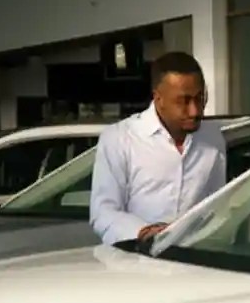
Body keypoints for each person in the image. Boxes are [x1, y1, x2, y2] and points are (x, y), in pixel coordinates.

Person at [89, 51, 227, 245]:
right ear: (158, 98)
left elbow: (216, 205)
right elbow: (103, 212)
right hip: (136, 263)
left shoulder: (213, 137)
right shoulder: (120, 139)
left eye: (200, 98)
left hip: (196, 263)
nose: (195, 110)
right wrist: (145, 233)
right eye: (184, 101)